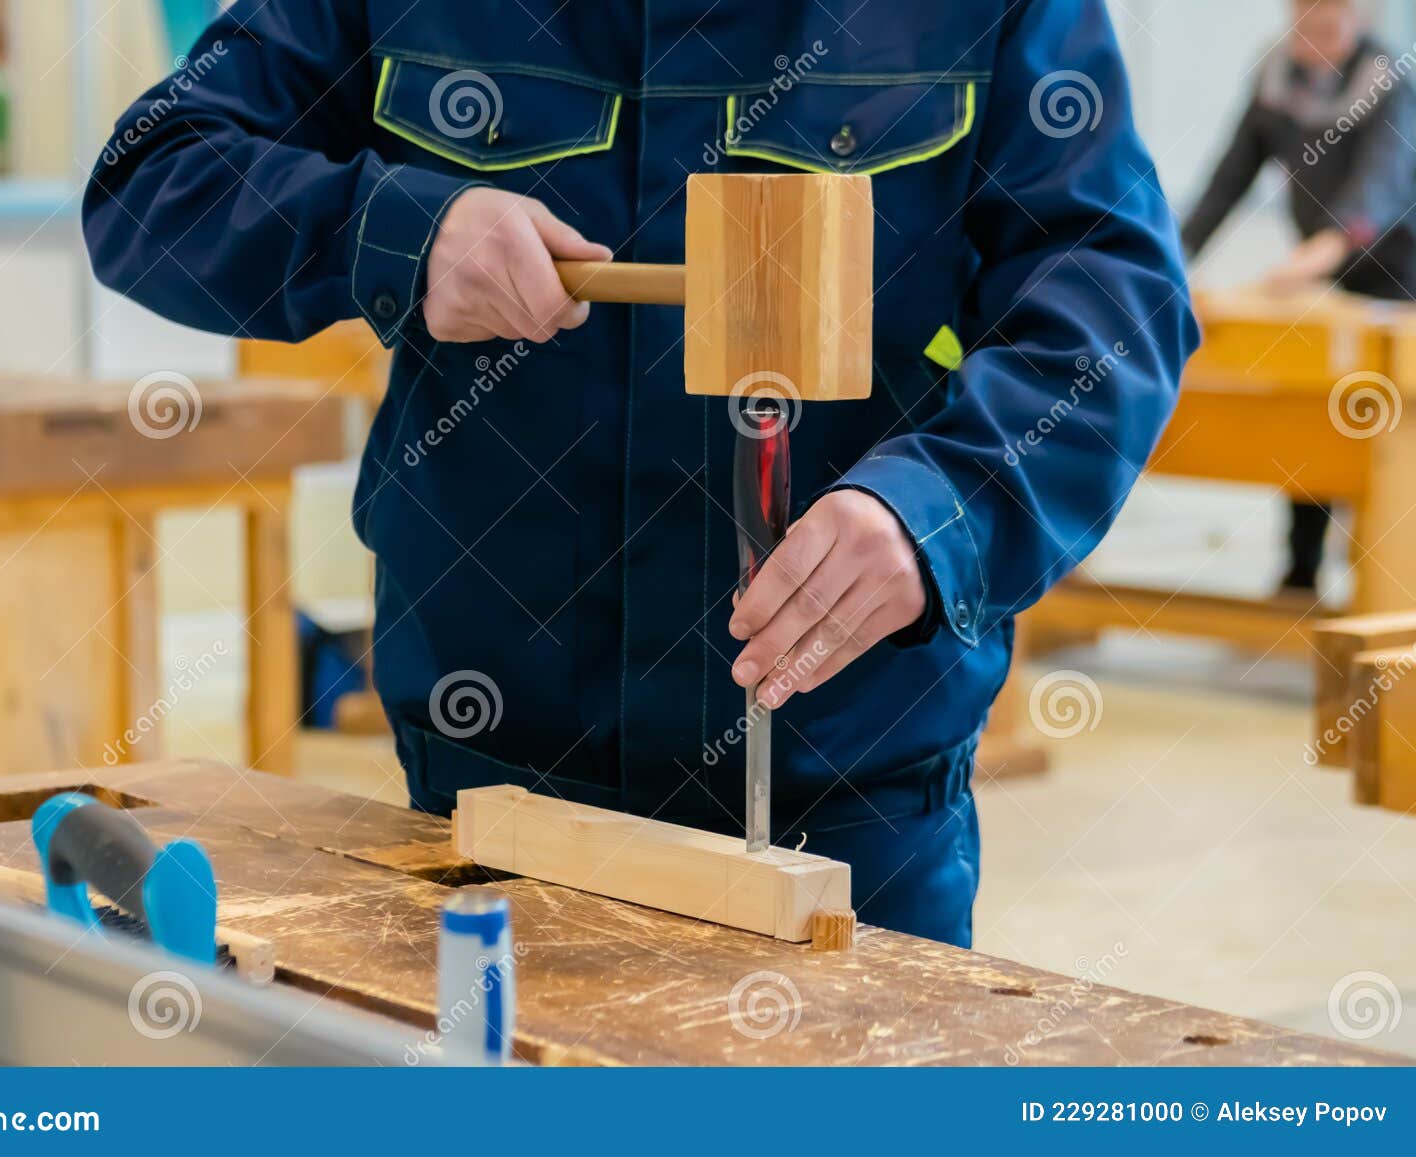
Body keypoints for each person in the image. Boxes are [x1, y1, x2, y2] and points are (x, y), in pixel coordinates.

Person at [83, 0, 1197, 948]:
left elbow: (1114, 294)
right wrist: (395, 234)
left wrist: (936, 513)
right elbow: (153, 174)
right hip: (487, 782)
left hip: (846, 796)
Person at [1183, 0, 1416, 596]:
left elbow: (1381, 184)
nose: (1316, 41)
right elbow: (1226, 181)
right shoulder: (1275, 80)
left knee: (1389, 426)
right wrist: (1172, 263)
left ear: (1359, 23)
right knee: (1314, 414)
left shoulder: (1390, 81)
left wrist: (1320, 254)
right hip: (1321, 275)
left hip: (1398, 277)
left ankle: (1390, 583)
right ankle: (1301, 571)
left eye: (1330, 29)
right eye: (1305, 27)